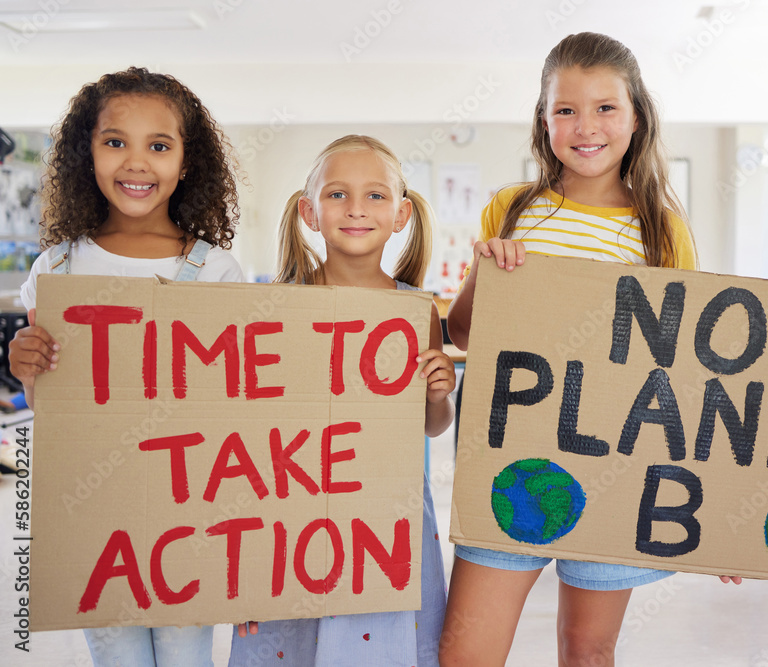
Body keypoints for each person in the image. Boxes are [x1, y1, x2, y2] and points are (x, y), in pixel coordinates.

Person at [441, 32, 708, 667]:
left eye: (605, 107)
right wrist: (486, 274)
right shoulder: (513, 209)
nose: (585, 126)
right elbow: (463, 335)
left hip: (614, 466)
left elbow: (686, 369)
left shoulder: (662, 228)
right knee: (464, 653)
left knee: (587, 652)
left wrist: (718, 513)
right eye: (565, 109)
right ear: (544, 120)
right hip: (511, 463)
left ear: (636, 115)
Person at [9, 67, 243, 666]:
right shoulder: (55, 269)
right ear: (85, 153)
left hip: (187, 507)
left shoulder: (216, 271)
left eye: (159, 146)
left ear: (187, 163)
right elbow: (48, 404)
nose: (136, 163)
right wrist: (26, 365)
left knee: (186, 652)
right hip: (93, 506)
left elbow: (233, 404)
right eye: (115, 142)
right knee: (117, 658)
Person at [227, 134, 453, 667]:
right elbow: (244, 428)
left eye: (376, 196)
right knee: (291, 644)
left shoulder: (418, 312)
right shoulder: (277, 307)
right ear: (309, 211)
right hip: (289, 512)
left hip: (386, 520)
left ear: (401, 215)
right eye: (337, 194)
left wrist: (440, 394)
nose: (356, 209)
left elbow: (432, 425)